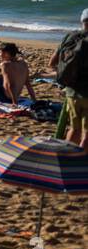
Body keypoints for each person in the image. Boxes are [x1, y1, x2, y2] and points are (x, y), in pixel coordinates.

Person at [49, 9, 88, 148]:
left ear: (82, 21)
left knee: (74, 129)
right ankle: (82, 162)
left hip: (71, 92)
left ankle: (67, 158)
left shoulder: (70, 37)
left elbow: (52, 63)